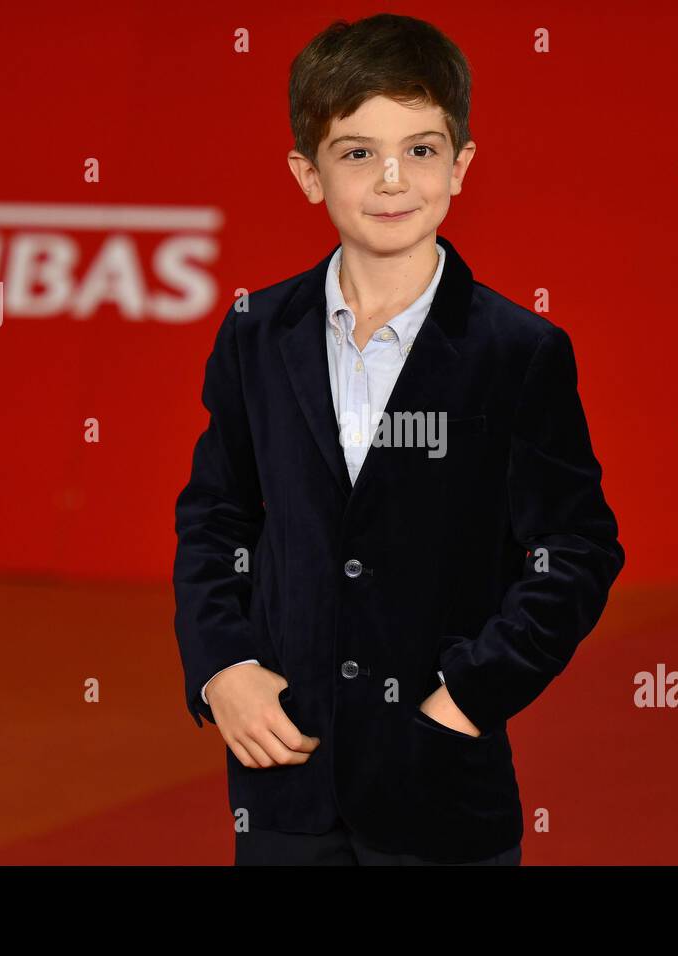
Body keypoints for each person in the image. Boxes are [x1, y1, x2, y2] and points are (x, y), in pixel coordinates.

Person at [173, 12, 626, 865]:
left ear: (460, 166)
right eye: (357, 152)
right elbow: (216, 517)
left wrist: (466, 697)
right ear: (308, 175)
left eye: (420, 149)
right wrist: (222, 667)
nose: (392, 179)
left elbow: (576, 550)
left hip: (440, 792)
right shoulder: (254, 333)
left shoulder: (518, 352)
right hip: (286, 779)